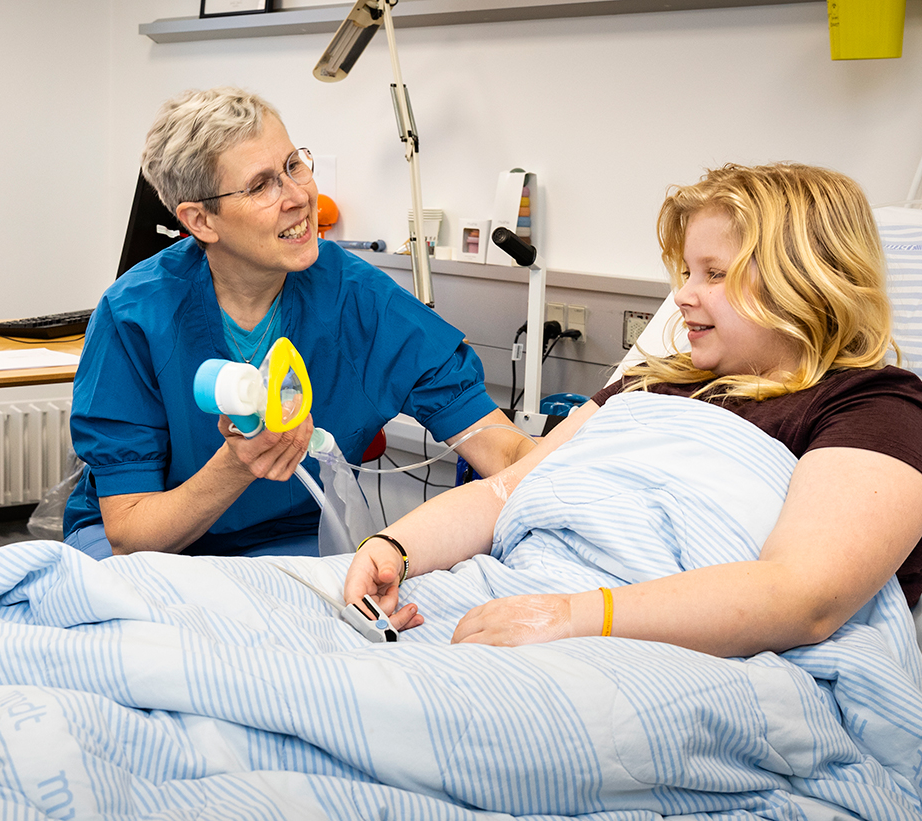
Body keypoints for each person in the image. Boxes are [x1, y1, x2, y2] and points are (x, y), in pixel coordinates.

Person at [344, 162, 922, 658]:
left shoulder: (873, 405)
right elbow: (506, 492)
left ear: (807, 282)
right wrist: (394, 548)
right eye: (687, 273)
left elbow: (803, 597)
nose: (685, 295)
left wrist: (569, 617)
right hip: (523, 591)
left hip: (640, 639)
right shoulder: (649, 384)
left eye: (714, 274)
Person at [64, 87, 534, 560]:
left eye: (293, 166)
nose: (299, 197)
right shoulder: (135, 316)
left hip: (287, 535)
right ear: (201, 221)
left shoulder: (357, 298)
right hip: (146, 546)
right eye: (261, 185)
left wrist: (575, 462)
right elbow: (131, 532)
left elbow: (499, 448)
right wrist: (237, 464)